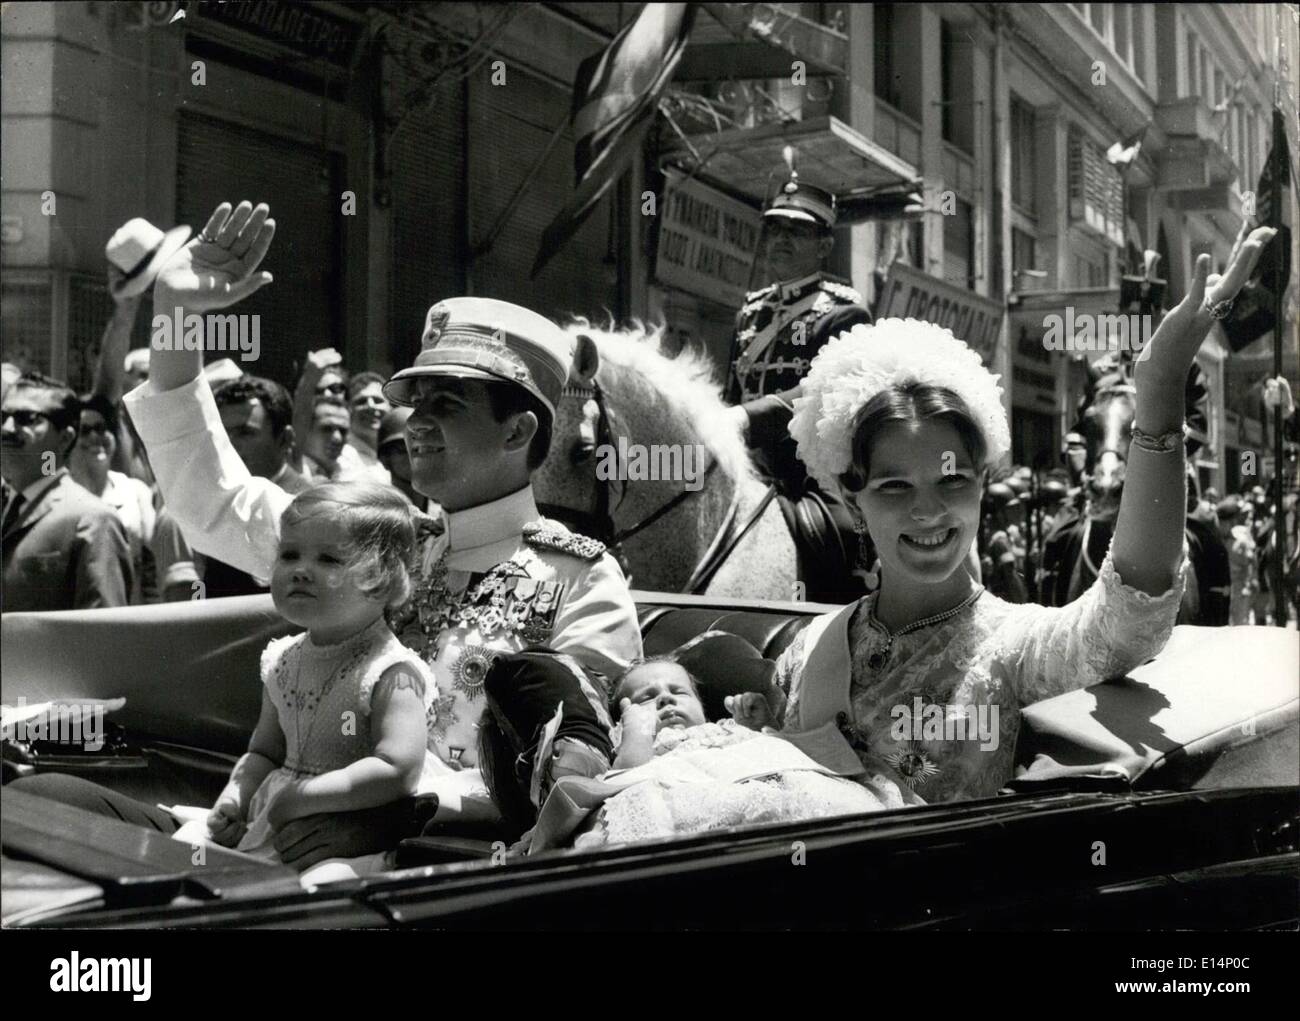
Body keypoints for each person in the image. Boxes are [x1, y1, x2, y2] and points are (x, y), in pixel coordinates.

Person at [115, 200, 640, 866]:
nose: (414, 421)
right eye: (414, 400)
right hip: (268, 834)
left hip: (426, 871)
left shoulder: (581, 580)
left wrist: (394, 816)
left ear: (518, 430)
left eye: (446, 403)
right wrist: (176, 315)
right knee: (51, 802)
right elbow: (212, 497)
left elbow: (570, 768)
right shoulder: (375, 535)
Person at [769, 225, 1277, 802]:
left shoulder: (1014, 648)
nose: (928, 510)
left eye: (951, 479)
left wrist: (1159, 394)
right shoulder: (806, 652)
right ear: (851, 495)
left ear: (983, 483)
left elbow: (1129, 614)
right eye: (893, 487)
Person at [189, 483, 438, 882]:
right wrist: (237, 797)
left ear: (382, 578)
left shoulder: (391, 671)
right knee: (187, 858)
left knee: (316, 887)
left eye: (328, 559)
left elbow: (397, 767)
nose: (301, 569)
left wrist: (306, 796)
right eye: (289, 554)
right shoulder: (282, 659)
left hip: (343, 832)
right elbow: (265, 751)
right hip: (272, 819)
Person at [723, 161, 873, 602]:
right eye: (776, 229)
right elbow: (732, 390)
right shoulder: (750, 312)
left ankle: (849, 616)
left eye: (797, 231)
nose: (782, 239)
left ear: (824, 244)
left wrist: (744, 417)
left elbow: (821, 391)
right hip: (747, 467)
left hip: (808, 473)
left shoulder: (844, 311)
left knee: (845, 539)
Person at [2, 372, 132, 611]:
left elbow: (104, 634)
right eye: (3, 416)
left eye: (26, 418)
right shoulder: (5, 507)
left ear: (64, 438)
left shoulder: (92, 519)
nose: (7, 428)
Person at [195, 376, 313, 599]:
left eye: (245, 433)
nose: (228, 444)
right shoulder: (214, 502)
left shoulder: (313, 506)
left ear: (284, 440)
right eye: (222, 434)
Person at [67, 393, 156, 603]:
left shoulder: (136, 491)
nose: (95, 436)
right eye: (85, 430)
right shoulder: (59, 496)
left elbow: (153, 563)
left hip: (132, 616)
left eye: (102, 428)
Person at [335, 371, 392, 485]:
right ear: (348, 410)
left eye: (377, 400)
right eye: (361, 401)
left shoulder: (396, 455)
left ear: (390, 407)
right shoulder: (342, 458)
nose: (370, 406)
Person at [377, 405, 429, 511]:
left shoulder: (444, 509)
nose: (415, 456)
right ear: (385, 458)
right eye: (403, 449)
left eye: (422, 448)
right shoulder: (378, 511)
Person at [1215, 497, 1257, 625]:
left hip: (1240, 592)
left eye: (1228, 523)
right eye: (1221, 523)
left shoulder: (1240, 541)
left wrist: (1249, 584)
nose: (1225, 527)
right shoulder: (1215, 541)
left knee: (1240, 628)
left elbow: (1251, 564)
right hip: (1222, 594)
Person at [299, 396, 351, 481]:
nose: (337, 438)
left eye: (343, 431)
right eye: (327, 429)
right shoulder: (293, 471)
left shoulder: (350, 472)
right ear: (306, 430)